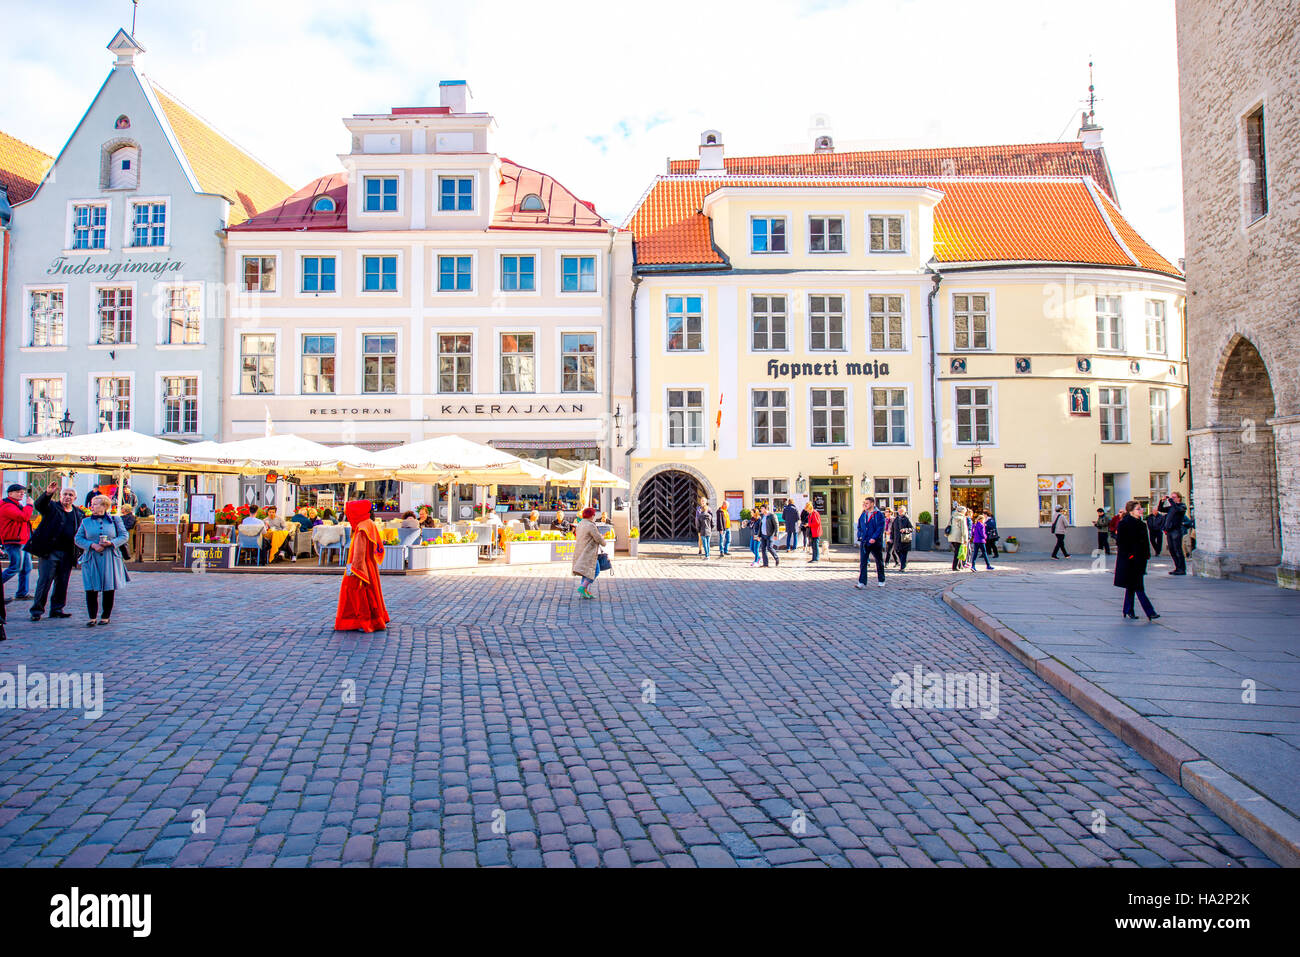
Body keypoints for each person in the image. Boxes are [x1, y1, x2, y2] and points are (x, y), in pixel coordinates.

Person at [26, 482, 81, 622]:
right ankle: (37, 611)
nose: (67, 497)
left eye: (71, 495)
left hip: (68, 553)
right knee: (45, 581)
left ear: (75, 498)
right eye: (65, 494)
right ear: (60, 496)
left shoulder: (77, 512)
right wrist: (48, 494)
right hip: (50, 551)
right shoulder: (52, 507)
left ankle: (57, 609)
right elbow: (40, 505)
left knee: (62, 582)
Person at [334, 500, 390, 632]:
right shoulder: (369, 524)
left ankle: (362, 621)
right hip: (370, 565)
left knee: (358, 594)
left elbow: (359, 553)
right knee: (372, 592)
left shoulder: (361, 529)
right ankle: (377, 618)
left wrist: (355, 569)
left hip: (361, 566)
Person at [74, 494, 129, 627]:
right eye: (92, 504)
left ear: (104, 506)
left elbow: (124, 536)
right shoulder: (85, 521)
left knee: (109, 587)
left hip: (110, 557)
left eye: (95, 504)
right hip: (91, 558)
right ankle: (92, 617)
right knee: (91, 587)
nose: (92, 506)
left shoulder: (115, 520)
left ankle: (105, 616)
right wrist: (92, 545)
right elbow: (78, 539)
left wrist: (111, 543)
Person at [1115, 499, 1160, 621]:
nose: (1141, 511)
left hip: (1140, 559)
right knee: (1138, 587)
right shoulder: (1124, 523)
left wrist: (1146, 555)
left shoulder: (1141, 524)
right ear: (1131, 511)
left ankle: (1127, 609)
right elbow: (1120, 542)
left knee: (1132, 586)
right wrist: (1130, 555)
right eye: (1138, 509)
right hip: (1130, 560)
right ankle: (1150, 612)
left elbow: (1145, 542)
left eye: (1141, 508)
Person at [0, 484, 34, 602]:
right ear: (10, 494)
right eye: (19, 492)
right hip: (13, 541)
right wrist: (29, 506)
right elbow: (23, 517)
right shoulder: (7, 506)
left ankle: (22, 592)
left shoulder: (16, 505)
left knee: (26, 568)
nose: (22, 494)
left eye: (23, 492)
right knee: (15, 567)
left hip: (22, 541)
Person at [571, 507, 606, 599]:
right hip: (589, 552)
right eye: (594, 514)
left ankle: (585, 592)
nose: (594, 516)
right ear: (592, 515)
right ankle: (582, 588)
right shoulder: (590, 525)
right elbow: (598, 537)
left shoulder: (580, 524)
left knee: (585, 573)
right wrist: (603, 541)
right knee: (595, 571)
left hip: (581, 551)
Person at [856, 496, 886, 587]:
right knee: (863, 562)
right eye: (864, 503)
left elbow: (880, 528)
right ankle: (862, 582)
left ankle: (881, 580)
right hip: (865, 541)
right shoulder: (863, 514)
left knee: (879, 561)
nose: (865, 505)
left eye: (867, 503)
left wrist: (874, 538)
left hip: (875, 542)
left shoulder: (878, 514)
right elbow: (860, 526)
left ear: (872, 503)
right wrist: (860, 536)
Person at [1164, 492, 1188, 575]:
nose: (1172, 499)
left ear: (1179, 498)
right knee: (1172, 550)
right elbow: (1161, 509)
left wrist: (1171, 502)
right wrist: (1162, 501)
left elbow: (1177, 509)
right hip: (1169, 530)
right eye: (1172, 497)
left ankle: (1182, 568)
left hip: (1176, 530)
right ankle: (1177, 567)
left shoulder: (1182, 506)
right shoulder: (1172, 507)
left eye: (1174, 497)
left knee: (1177, 549)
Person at [891, 505, 914, 571]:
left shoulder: (907, 518)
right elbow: (892, 529)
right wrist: (891, 538)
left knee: (904, 553)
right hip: (897, 539)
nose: (900, 512)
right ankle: (903, 563)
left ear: (904, 511)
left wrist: (905, 530)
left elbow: (912, 528)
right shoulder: (896, 519)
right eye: (899, 511)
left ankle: (902, 567)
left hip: (904, 539)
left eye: (902, 511)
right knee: (897, 551)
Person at [947, 503, 970, 571]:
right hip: (959, 537)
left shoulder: (953, 517)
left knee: (957, 551)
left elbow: (949, 525)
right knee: (958, 552)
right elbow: (964, 529)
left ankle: (959, 565)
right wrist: (966, 539)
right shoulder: (962, 518)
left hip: (952, 537)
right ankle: (955, 566)